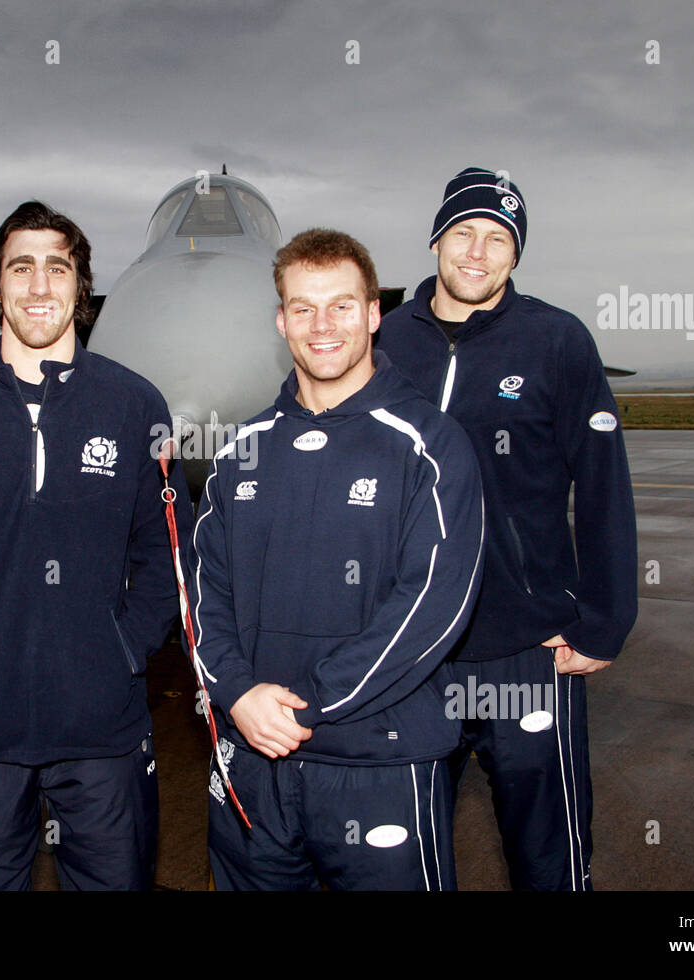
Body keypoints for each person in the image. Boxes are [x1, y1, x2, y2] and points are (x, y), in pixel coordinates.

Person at [0, 200, 189, 890]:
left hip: (104, 732)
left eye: (59, 267)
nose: (40, 285)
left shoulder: (135, 405)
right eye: (20, 268)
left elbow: (164, 554)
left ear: (82, 287)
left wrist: (124, 651)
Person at [187, 228, 485, 890]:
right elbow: (205, 592)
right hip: (252, 764)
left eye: (342, 305)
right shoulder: (243, 451)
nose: (323, 326)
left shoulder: (428, 446)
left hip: (378, 764)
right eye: (303, 307)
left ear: (374, 312)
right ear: (281, 320)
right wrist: (235, 694)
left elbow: (432, 603)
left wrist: (310, 704)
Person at [376, 167, 639, 890]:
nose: (477, 252)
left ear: (515, 256)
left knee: (546, 853)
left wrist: (605, 617)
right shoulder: (386, 338)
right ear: (435, 239)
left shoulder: (556, 340)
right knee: (405, 853)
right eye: (463, 231)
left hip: (527, 647)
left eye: (498, 239)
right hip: (411, 650)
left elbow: (604, 483)